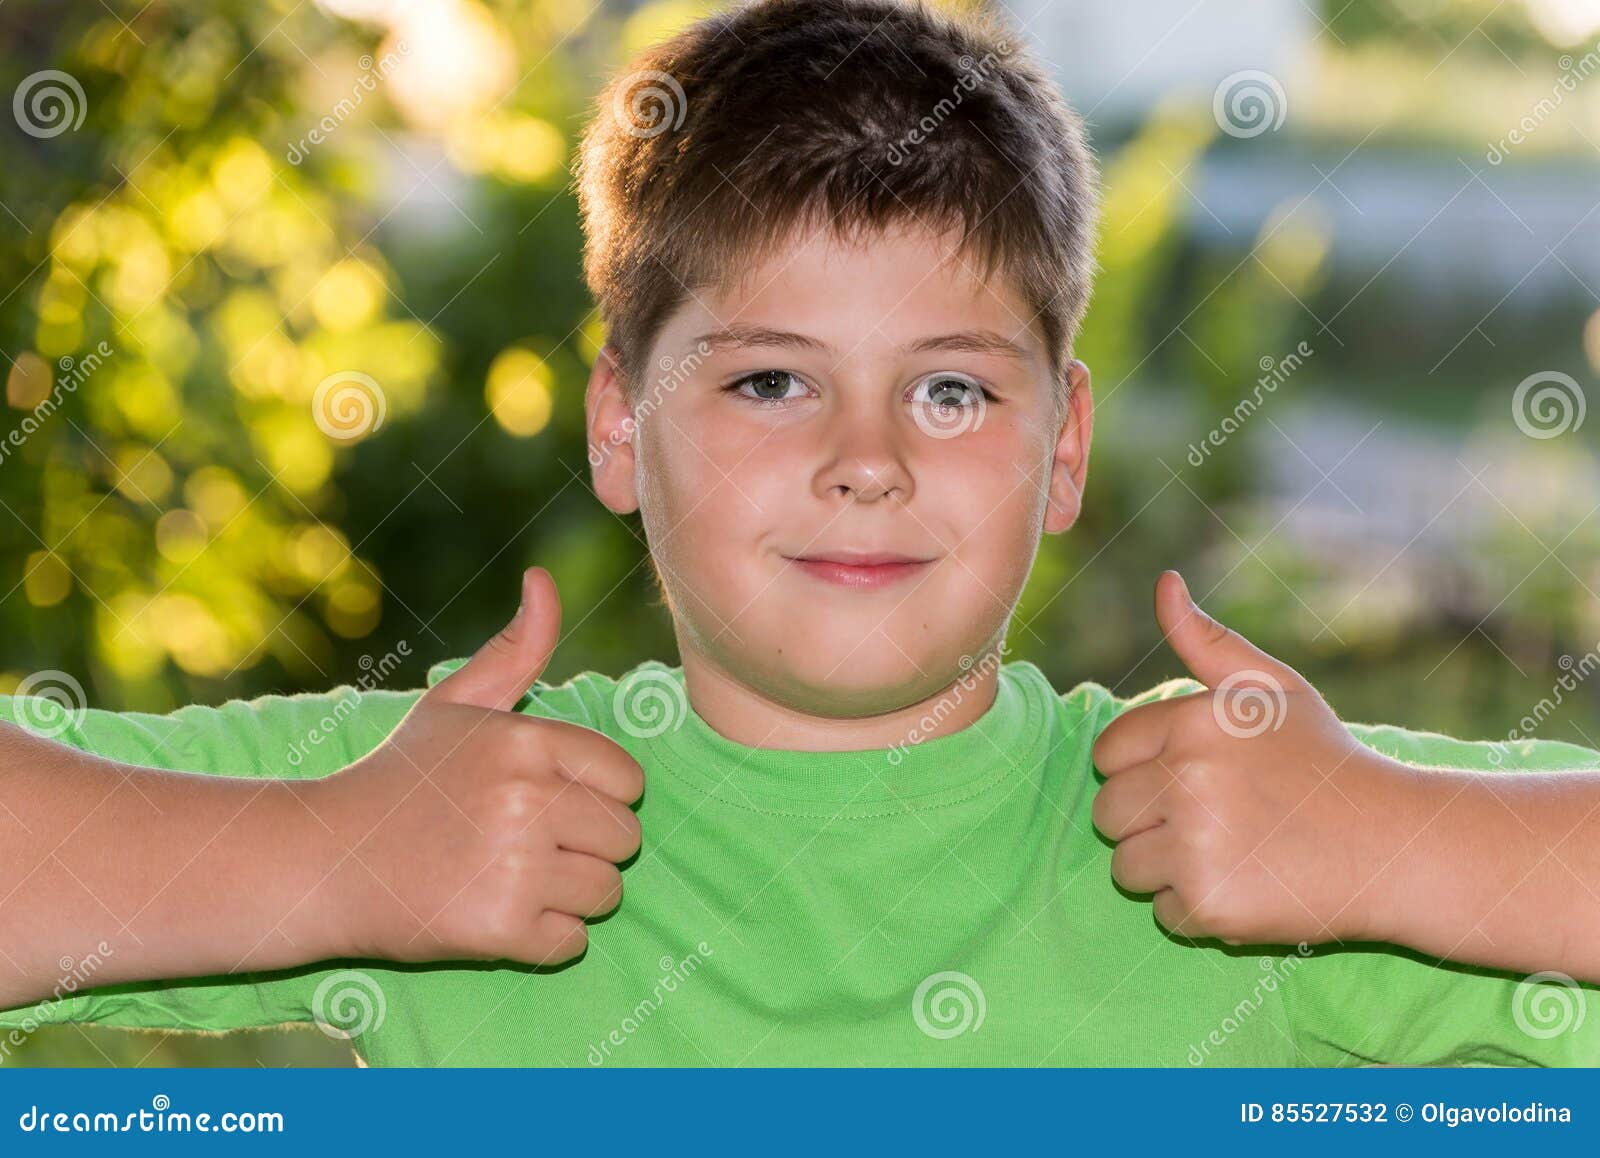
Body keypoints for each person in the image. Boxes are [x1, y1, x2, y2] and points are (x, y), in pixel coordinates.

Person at [2, 0, 1598, 1067]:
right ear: (619, 423)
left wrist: (1397, 842)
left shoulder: (1242, 830)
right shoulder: (452, 789)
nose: (866, 460)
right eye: (772, 378)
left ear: (1066, 447)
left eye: (955, 393)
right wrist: (334, 855)